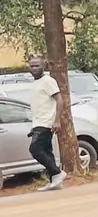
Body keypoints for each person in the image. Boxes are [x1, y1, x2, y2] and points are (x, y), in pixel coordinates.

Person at [25, 57, 65, 191]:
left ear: (44, 66)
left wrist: (57, 120)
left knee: (35, 149)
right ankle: (55, 180)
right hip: (38, 122)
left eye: (37, 65)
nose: (34, 68)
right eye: (32, 66)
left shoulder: (48, 81)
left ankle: (57, 173)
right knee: (47, 151)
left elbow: (59, 99)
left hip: (46, 122)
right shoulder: (36, 83)